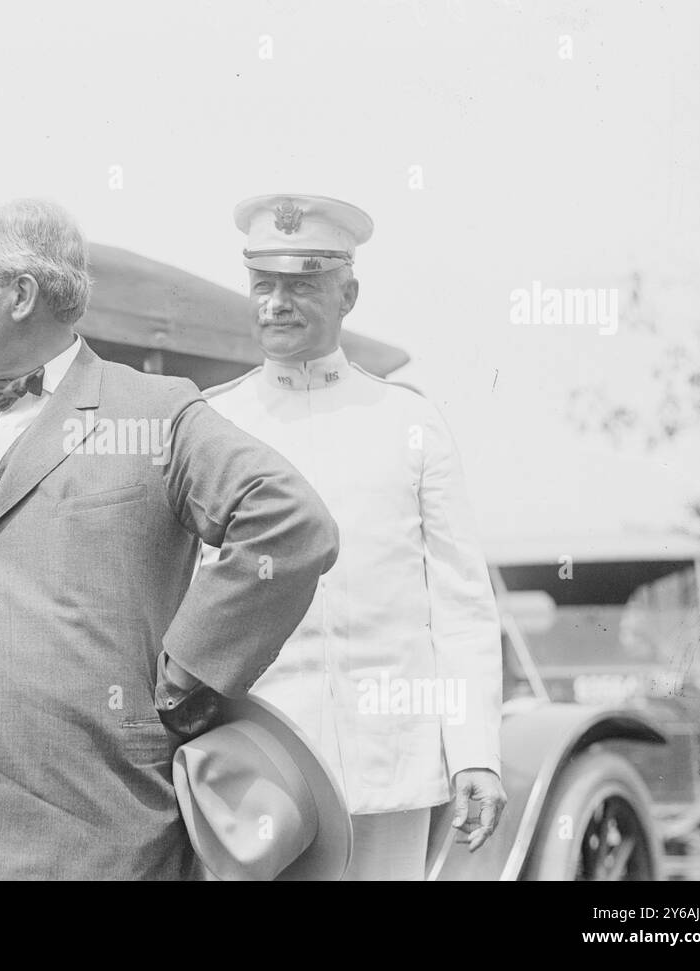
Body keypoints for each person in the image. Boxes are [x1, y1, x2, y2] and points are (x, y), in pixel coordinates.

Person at [0, 198, 338, 880]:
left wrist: (187, 672)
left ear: (20, 293)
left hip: (96, 833)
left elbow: (289, 523)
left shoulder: (155, 411)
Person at [201, 193, 506, 879]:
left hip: (389, 766)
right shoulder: (212, 426)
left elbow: (461, 607)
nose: (276, 303)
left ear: (349, 293)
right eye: (263, 283)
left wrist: (475, 751)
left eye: (302, 283)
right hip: (261, 765)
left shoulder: (410, 423)